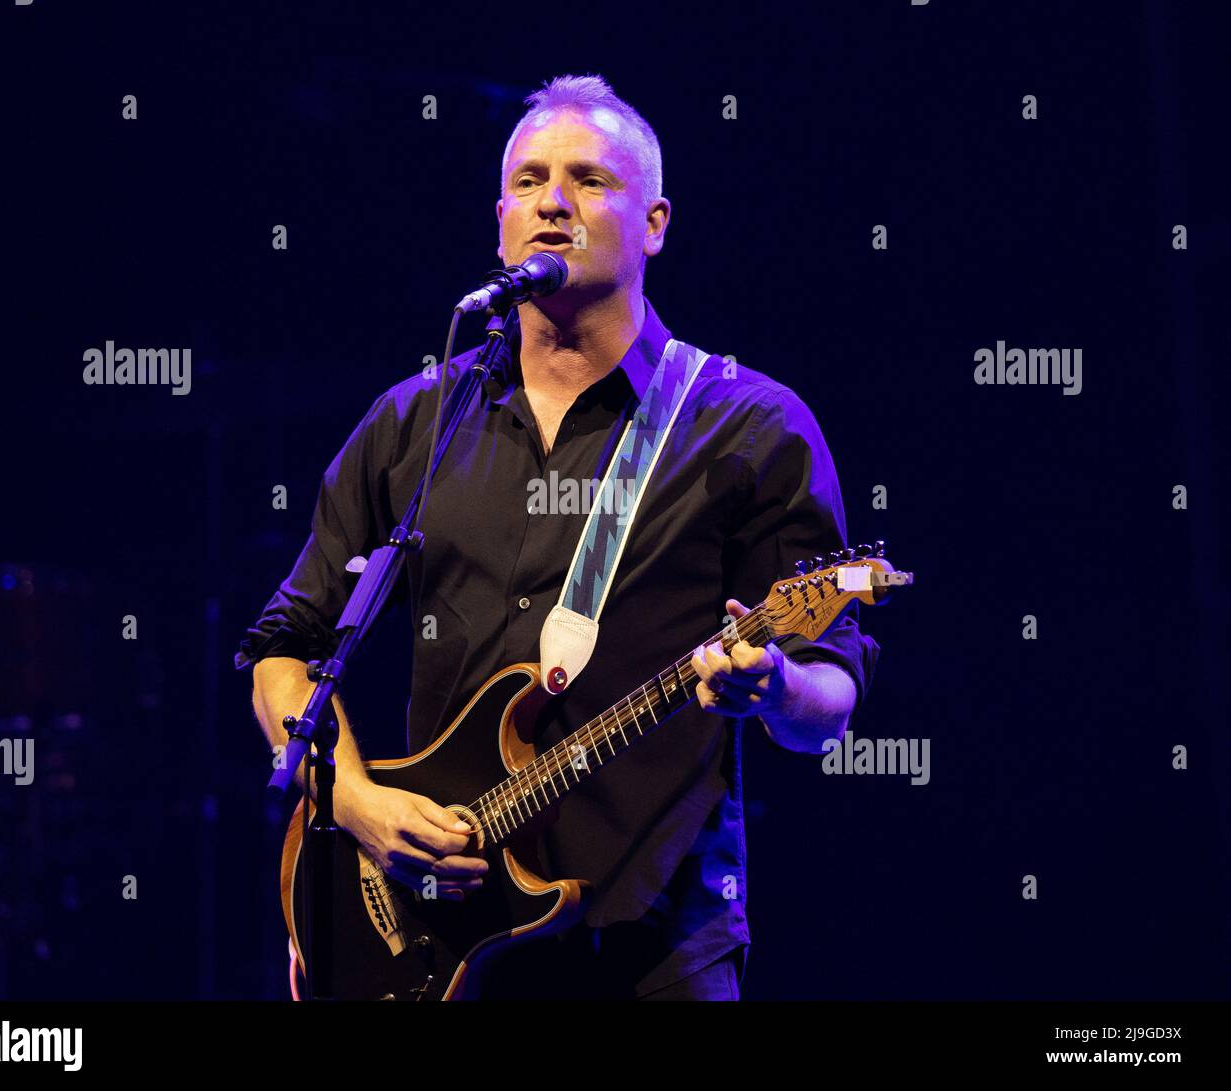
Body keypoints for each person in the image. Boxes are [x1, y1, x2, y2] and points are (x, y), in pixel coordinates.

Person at [237, 74, 879, 1000]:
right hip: (440, 937)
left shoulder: (748, 426)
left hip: (656, 943)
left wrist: (775, 683)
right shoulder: (415, 420)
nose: (553, 201)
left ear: (655, 222)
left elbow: (830, 702)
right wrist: (357, 806)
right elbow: (286, 650)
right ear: (499, 218)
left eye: (589, 180)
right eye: (529, 180)